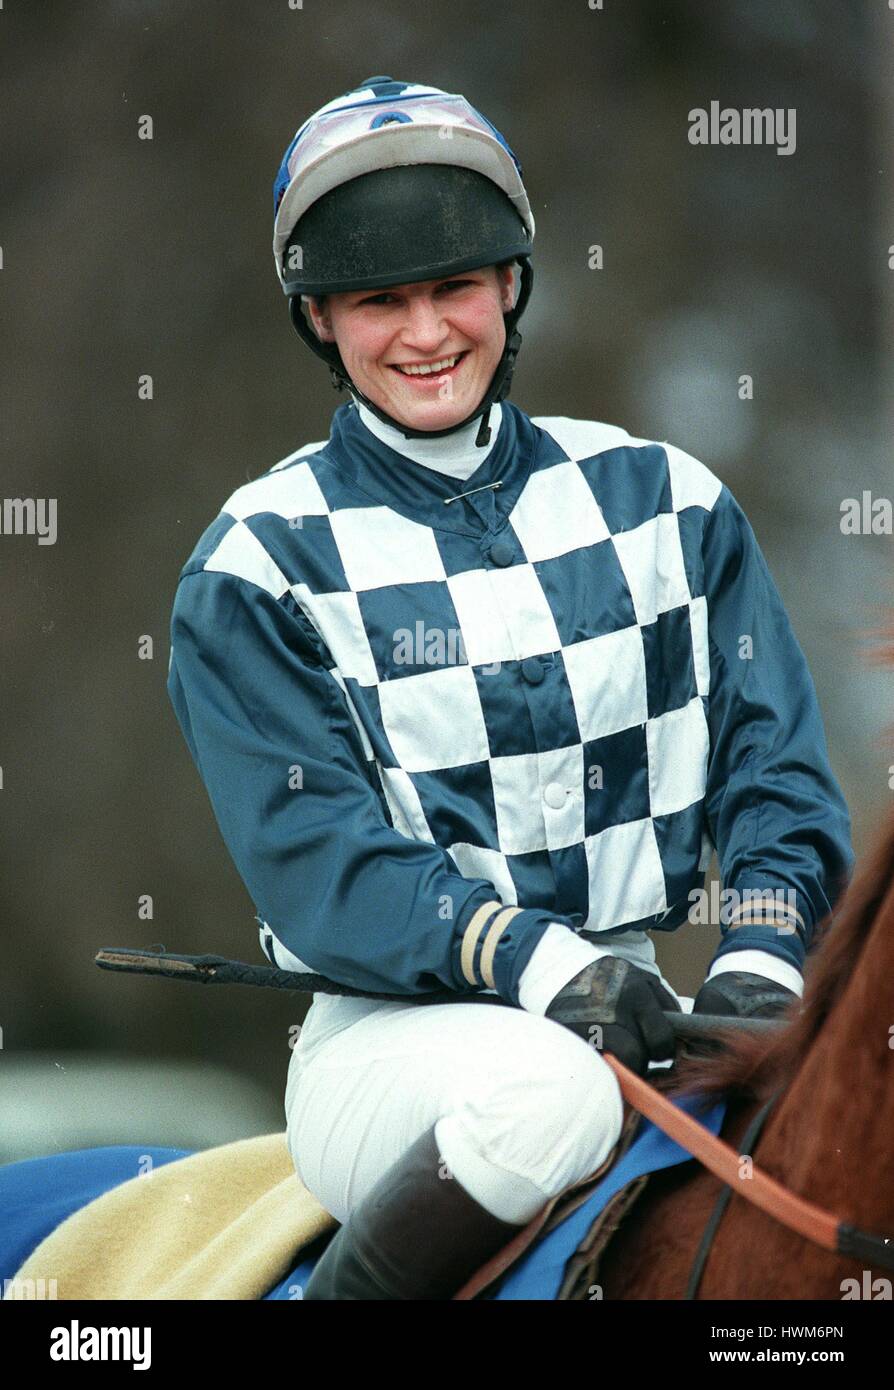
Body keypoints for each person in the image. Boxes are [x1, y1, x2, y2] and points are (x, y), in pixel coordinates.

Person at [166, 76, 855, 1299]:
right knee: (550, 1096)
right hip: (392, 1036)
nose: (427, 333)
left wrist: (758, 968)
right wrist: (548, 968)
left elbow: (777, 773)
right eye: (382, 300)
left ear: (513, 287)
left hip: (648, 997)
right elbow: (327, 865)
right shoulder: (256, 561)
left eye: (456, 288)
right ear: (321, 319)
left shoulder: (669, 502)